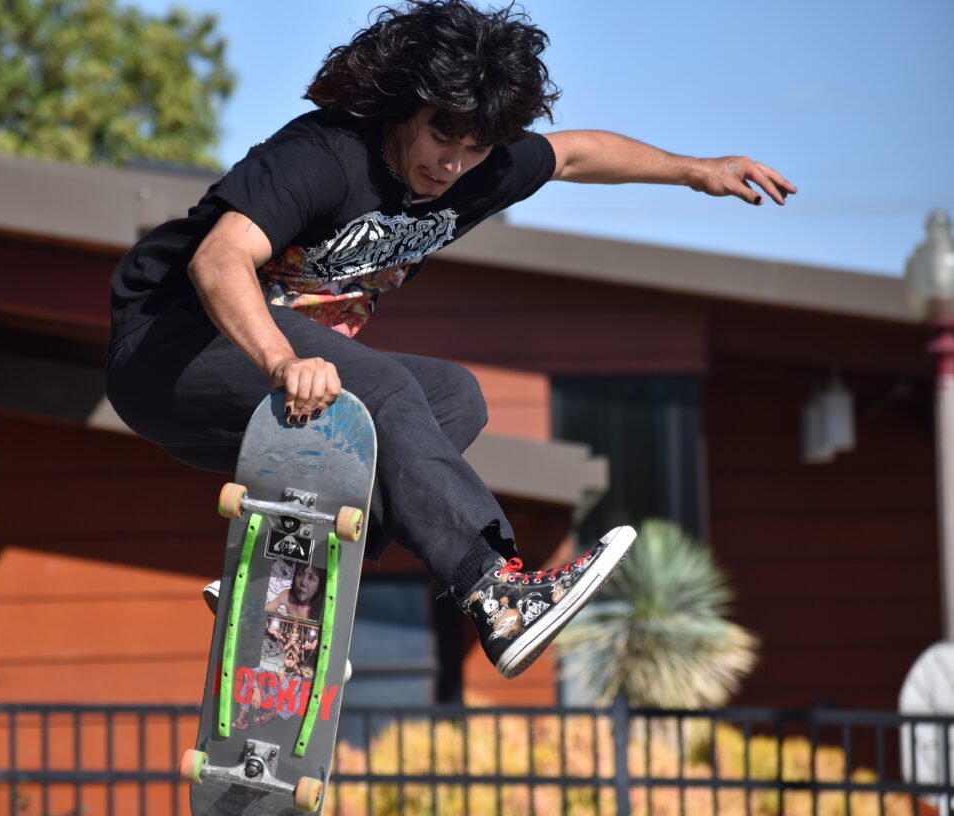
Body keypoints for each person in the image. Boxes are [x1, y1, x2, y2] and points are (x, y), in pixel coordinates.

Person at [106, 0, 795, 681]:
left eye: (475, 150)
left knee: (453, 398)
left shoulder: (480, 167)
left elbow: (577, 154)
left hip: (258, 371)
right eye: (442, 139)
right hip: (173, 342)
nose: (452, 166)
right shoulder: (325, 155)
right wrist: (284, 360)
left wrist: (695, 170)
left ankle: (283, 595)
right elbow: (217, 261)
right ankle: (495, 589)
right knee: (381, 390)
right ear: (410, 108)